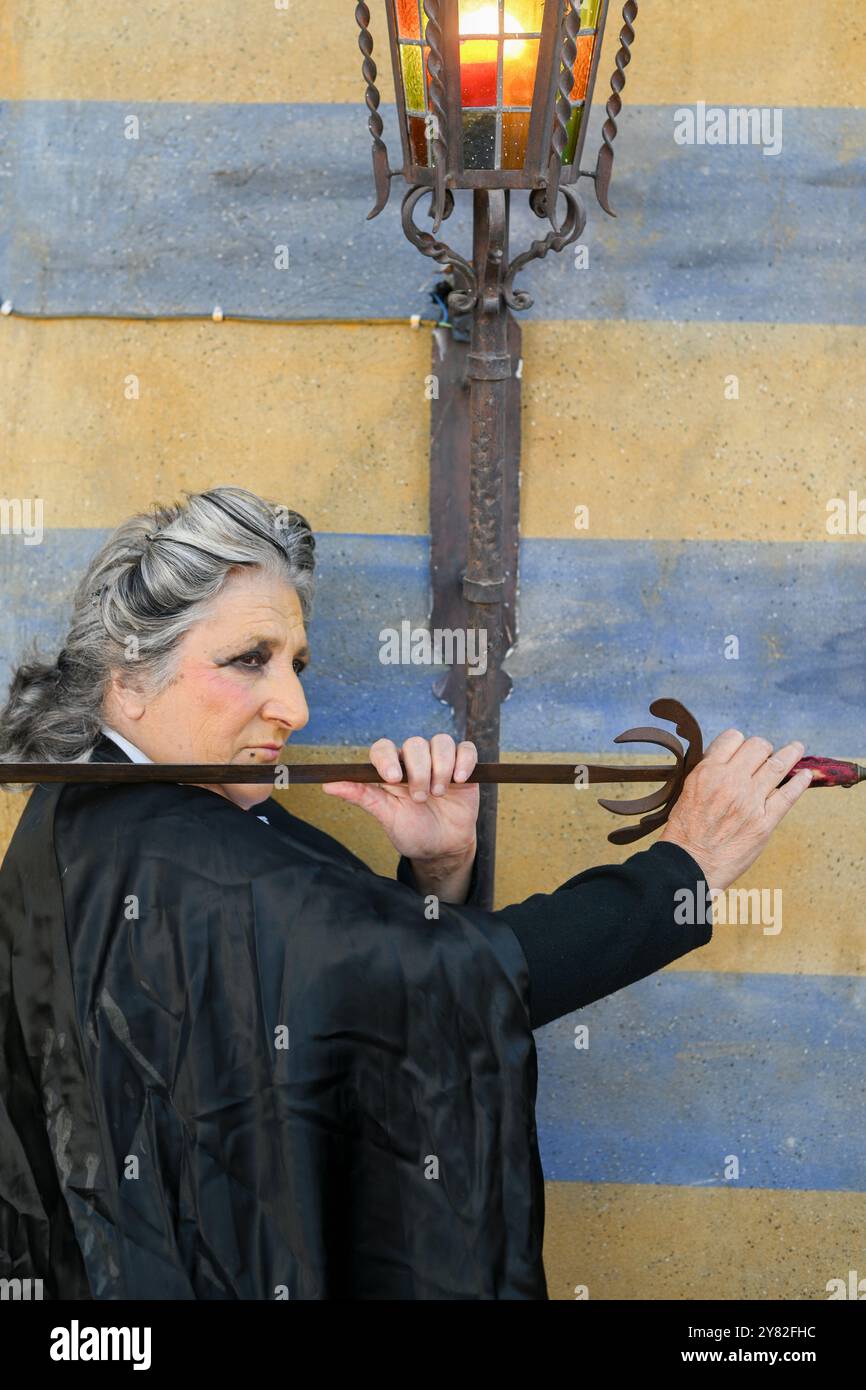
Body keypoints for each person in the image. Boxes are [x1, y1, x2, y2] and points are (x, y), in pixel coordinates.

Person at [0, 486, 812, 1300]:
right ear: (129, 677)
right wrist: (683, 869)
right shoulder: (161, 846)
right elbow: (446, 981)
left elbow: (360, 993)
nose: (295, 707)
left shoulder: (126, 810)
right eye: (250, 658)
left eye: (296, 664)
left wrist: (439, 870)